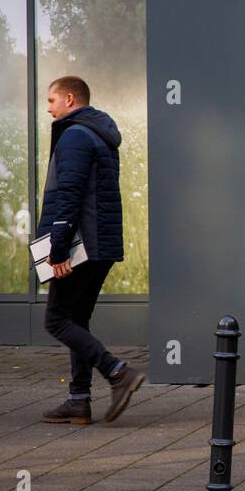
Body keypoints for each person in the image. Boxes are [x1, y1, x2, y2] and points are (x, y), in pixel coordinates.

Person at [37, 75, 144, 425]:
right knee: (76, 319)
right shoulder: (99, 133)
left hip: (81, 246)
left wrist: (58, 248)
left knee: (56, 319)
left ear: (69, 99)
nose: (48, 107)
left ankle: (117, 372)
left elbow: (68, 194)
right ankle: (78, 401)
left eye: (51, 100)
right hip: (101, 244)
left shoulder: (74, 136)